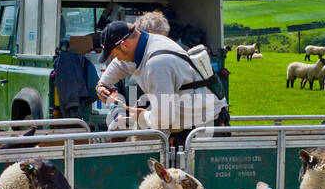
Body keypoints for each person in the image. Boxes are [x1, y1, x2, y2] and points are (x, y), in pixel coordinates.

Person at [94, 20, 229, 149]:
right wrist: (102, 84)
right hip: (191, 125)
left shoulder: (157, 63)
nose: (117, 58)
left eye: (115, 54)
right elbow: (122, 64)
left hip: (206, 129)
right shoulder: (148, 42)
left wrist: (140, 116)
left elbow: (163, 119)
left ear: (124, 45)